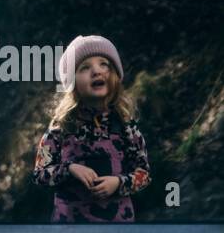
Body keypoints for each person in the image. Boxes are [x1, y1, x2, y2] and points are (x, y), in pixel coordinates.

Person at [32, 35, 151, 222]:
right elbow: (40, 174)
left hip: (120, 231)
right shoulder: (61, 127)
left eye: (104, 64)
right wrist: (70, 169)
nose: (96, 71)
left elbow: (143, 174)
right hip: (69, 230)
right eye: (84, 67)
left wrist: (119, 183)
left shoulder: (126, 126)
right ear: (72, 85)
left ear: (114, 76)